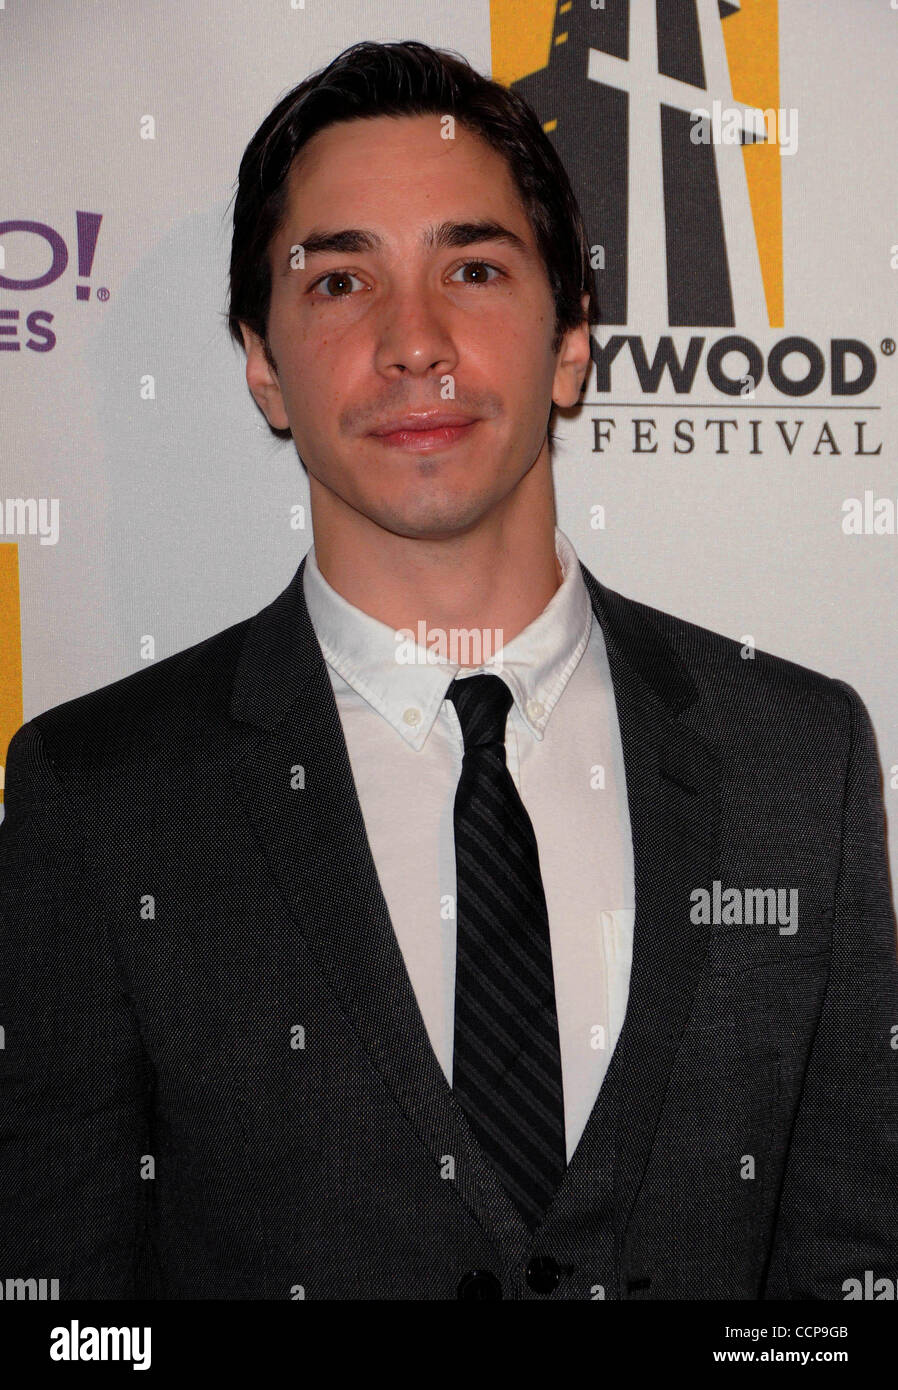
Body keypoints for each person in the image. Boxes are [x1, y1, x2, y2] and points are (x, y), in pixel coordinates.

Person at [1, 40, 896, 1302]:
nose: (413, 342)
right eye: (339, 281)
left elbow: (850, 1284)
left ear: (573, 340)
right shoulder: (97, 793)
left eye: (472, 269)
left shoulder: (798, 758)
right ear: (261, 364)